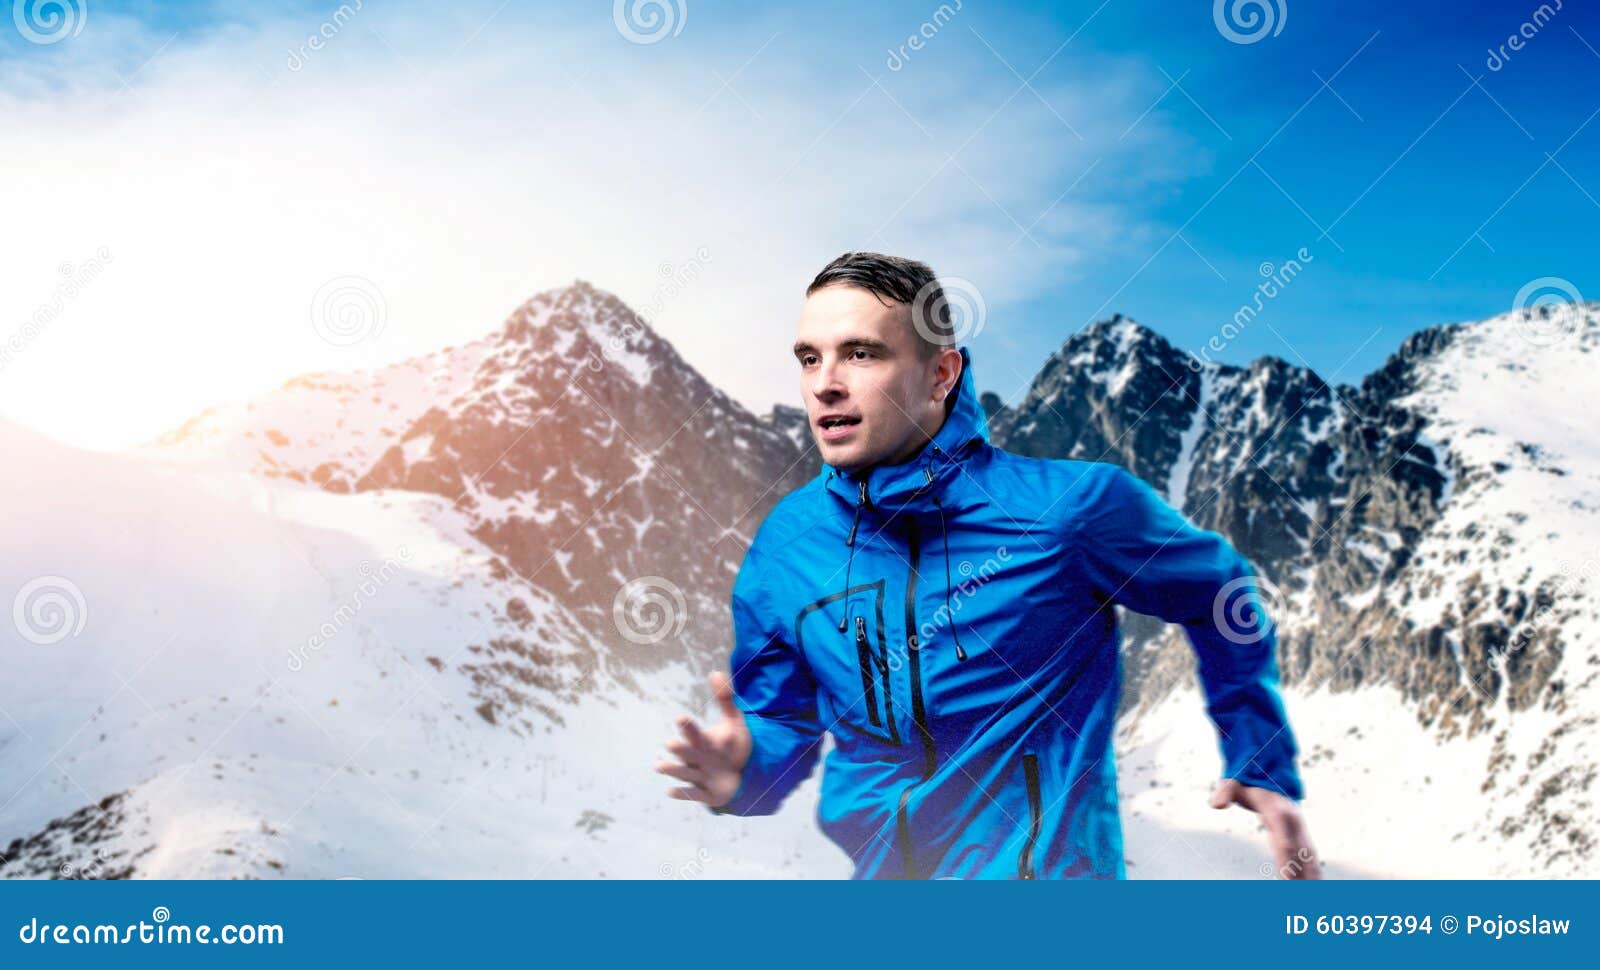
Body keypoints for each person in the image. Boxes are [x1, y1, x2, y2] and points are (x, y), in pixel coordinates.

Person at [657, 252, 1319, 879]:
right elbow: (780, 722)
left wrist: (1258, 754)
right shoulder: (788, 546)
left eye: (861, 354)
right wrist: (741, 772)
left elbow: (1217, 588)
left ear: (941, 374)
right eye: (809, 358)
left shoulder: (1070, 510)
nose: (826, 383)